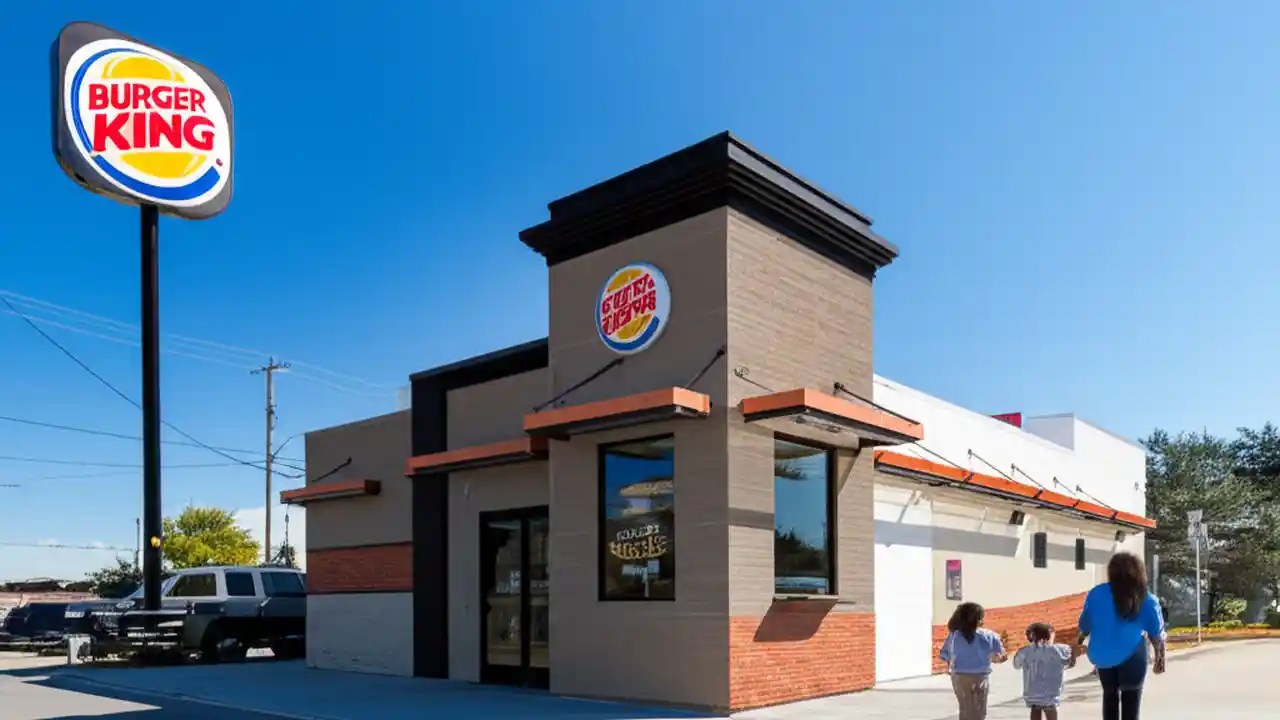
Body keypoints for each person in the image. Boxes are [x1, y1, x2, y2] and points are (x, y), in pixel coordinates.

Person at [1078, 552, 1166, 720]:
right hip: (1133, 659)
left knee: (1109, 696)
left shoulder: (1097, 593)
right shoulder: (1146, 598)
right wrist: (1160, 658)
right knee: (1131, 699)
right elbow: (1156, 633)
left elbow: (1085, 625)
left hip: (1103, 657)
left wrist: (1079, 642)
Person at [940, 602, 1009, 720]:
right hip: (980, 676)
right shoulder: (990, 636)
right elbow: (1000, 656)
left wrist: (952, 664)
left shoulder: (954, 636)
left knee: (965, 709)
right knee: (979, 711)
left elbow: (944, 654)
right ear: (979, 619)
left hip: (959, 676)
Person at [1013, 622, 1076, 720]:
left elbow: (1016, 665)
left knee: (1035, 710)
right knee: (1051, 711)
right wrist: (1074, 652)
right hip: (1051, 693)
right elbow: (1068, 662)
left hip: (1032, 692)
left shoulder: (1025, 651)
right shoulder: (1059, 649)